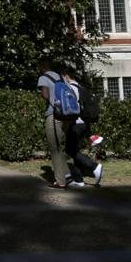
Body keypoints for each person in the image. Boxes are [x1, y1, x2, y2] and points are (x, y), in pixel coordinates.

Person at [37, 60, 81, 189]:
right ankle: (67, 175)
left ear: (42, 67)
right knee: (59, 147)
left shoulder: (43, 78)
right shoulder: (60, 77)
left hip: (54, 115)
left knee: (54, 148)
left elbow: (45, 95)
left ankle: (60, 181)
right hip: (67, 116)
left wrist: (43, 95)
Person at [62, 69, 104, 186]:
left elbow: (72, 107)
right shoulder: (81, 87)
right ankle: (78, 179)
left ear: (66, 76)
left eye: (63, 77)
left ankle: (94, 166)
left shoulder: (71, 88)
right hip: (84, 123)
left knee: (70, 150)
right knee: (75, 150)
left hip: (76, 123)